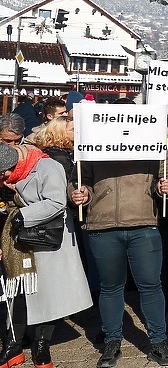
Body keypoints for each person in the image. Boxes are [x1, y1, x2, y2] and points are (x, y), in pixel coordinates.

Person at [66, 106, 168, 368]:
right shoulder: (92, 144)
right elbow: (78, 180)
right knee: (110, 287)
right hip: (103, 225)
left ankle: (158, 342)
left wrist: (166, 186)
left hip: (144, 225)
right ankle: (112, 342)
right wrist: (79, 194)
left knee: (151, 286)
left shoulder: (153, 142)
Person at [0, 141, 92, 368]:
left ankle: (42, 347)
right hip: (14, 239)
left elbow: (56, 202)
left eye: (6, 173)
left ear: (17, 162)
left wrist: (22, 213)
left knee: (47, 294)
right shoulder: (8, 174)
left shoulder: (47, 167)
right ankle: (13, 346)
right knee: (16, 291)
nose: (4, 177)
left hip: (43, 237)